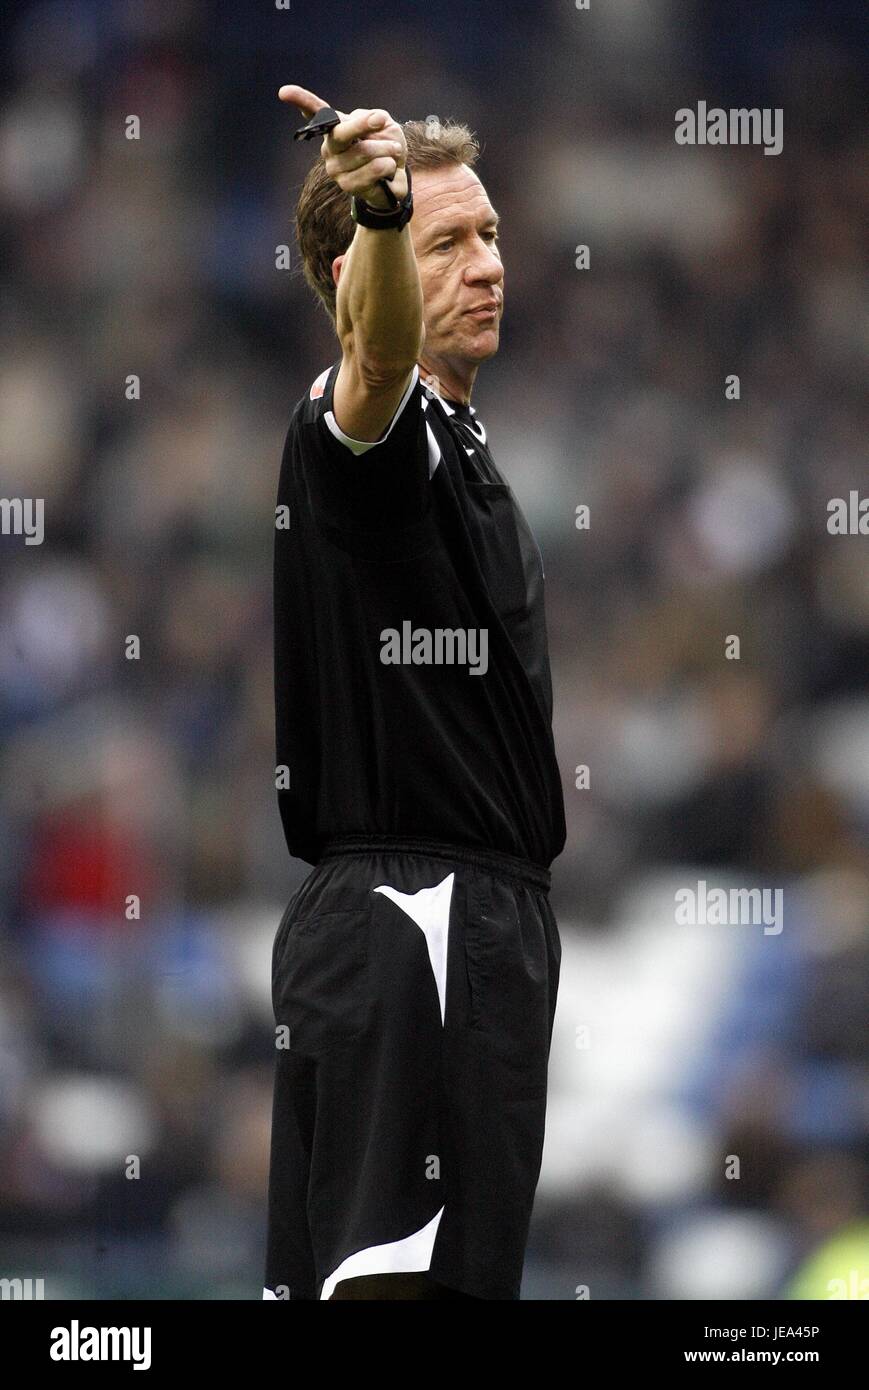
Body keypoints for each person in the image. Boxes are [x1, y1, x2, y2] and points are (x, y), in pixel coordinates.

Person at [263, 85, 566, 1301]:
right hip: (417, 915)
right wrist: (385, 210)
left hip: (460, 923)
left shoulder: (463, 441)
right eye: (446, 242)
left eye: (487, 233)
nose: (486, 263)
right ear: (355, 273)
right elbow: (376, 357)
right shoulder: (371, 425)